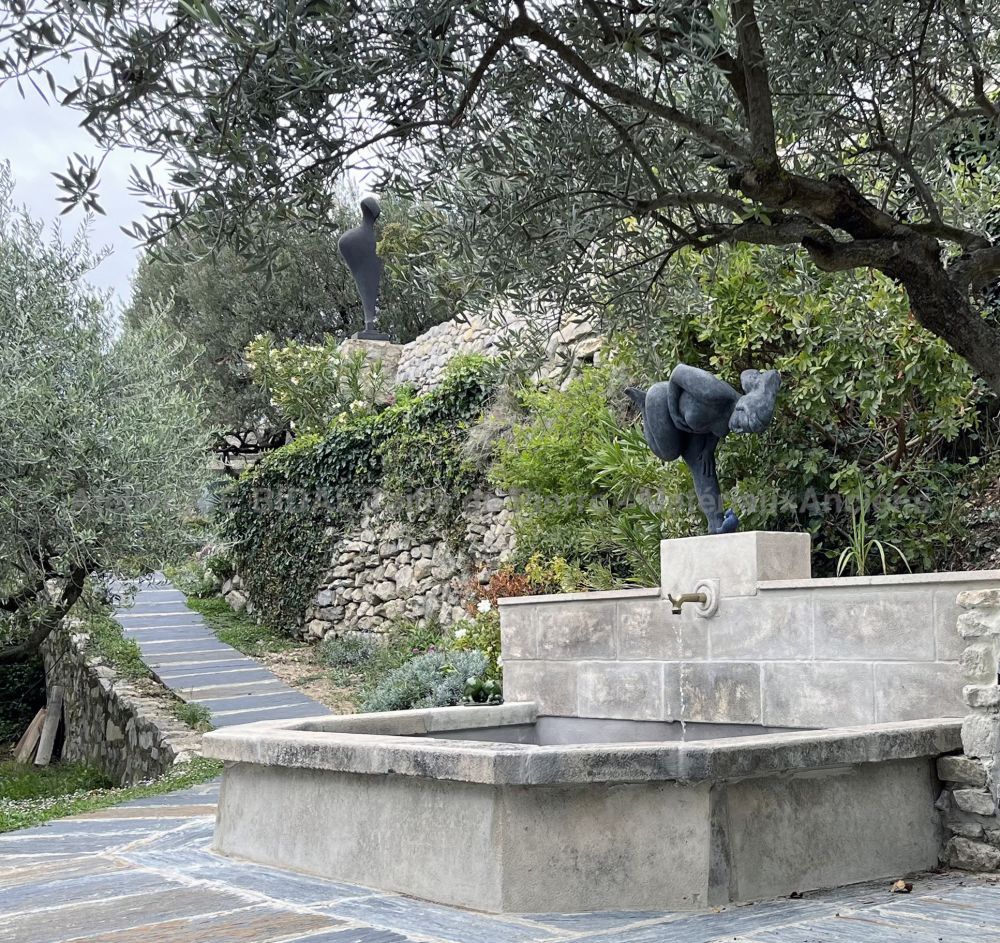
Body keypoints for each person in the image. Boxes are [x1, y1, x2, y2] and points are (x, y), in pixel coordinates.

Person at [626, 364, 781, 534]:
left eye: (744, 430)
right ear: (741, 406)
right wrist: (674, 412)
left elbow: (713, 428)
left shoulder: (728, 420)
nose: (738, 430)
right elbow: (677, 372)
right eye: (740, 424)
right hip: (662, 402)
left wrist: (708, 450)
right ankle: (643, 404)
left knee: (704, 467)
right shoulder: (714, 391)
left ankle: (716, 523)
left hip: (694, 431)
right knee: (669, 453)